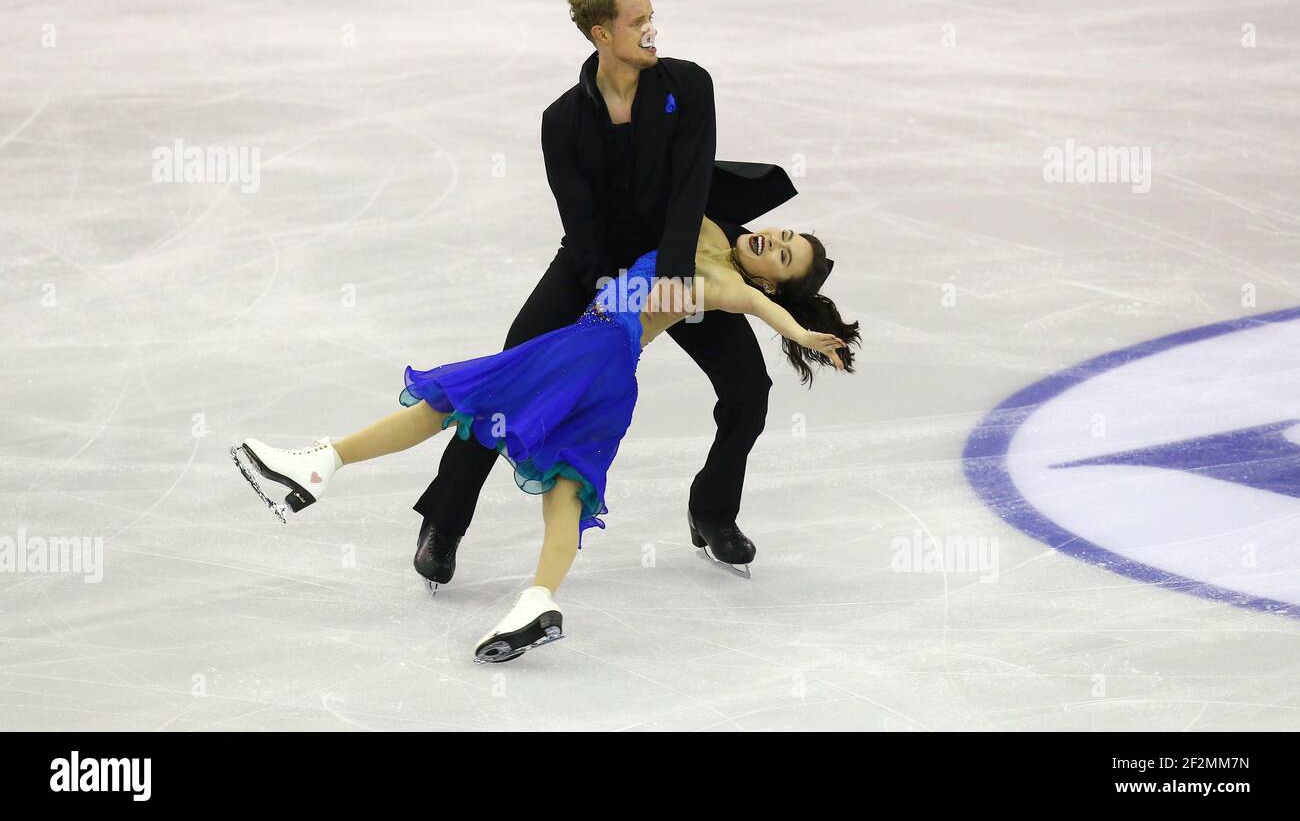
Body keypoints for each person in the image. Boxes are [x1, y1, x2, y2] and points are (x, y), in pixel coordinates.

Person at [231, 216, 859, 662]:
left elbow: (759, 307)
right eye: (782, 236)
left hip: (586, 349)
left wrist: (802, 336)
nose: (773, 242)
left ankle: (321, 463)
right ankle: (537, 601)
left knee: (458, 398)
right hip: (612, 378)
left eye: (783, 257)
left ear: (773, 281)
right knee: (565, 488)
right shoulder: (712, 235)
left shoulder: (729, 284)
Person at [410, 0, 803, 586]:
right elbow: (583, 223)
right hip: (593, 267)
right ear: (601, 33)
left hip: (684, 259)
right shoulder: (562, 121)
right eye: (634, 20)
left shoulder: (688, 85)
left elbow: (690, 187)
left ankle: (712, 511)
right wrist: (610, 295)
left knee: (748, 390)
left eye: (652, 15)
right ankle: (444, 520)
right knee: (508, 380)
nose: (650, 28)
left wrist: (671, 276)